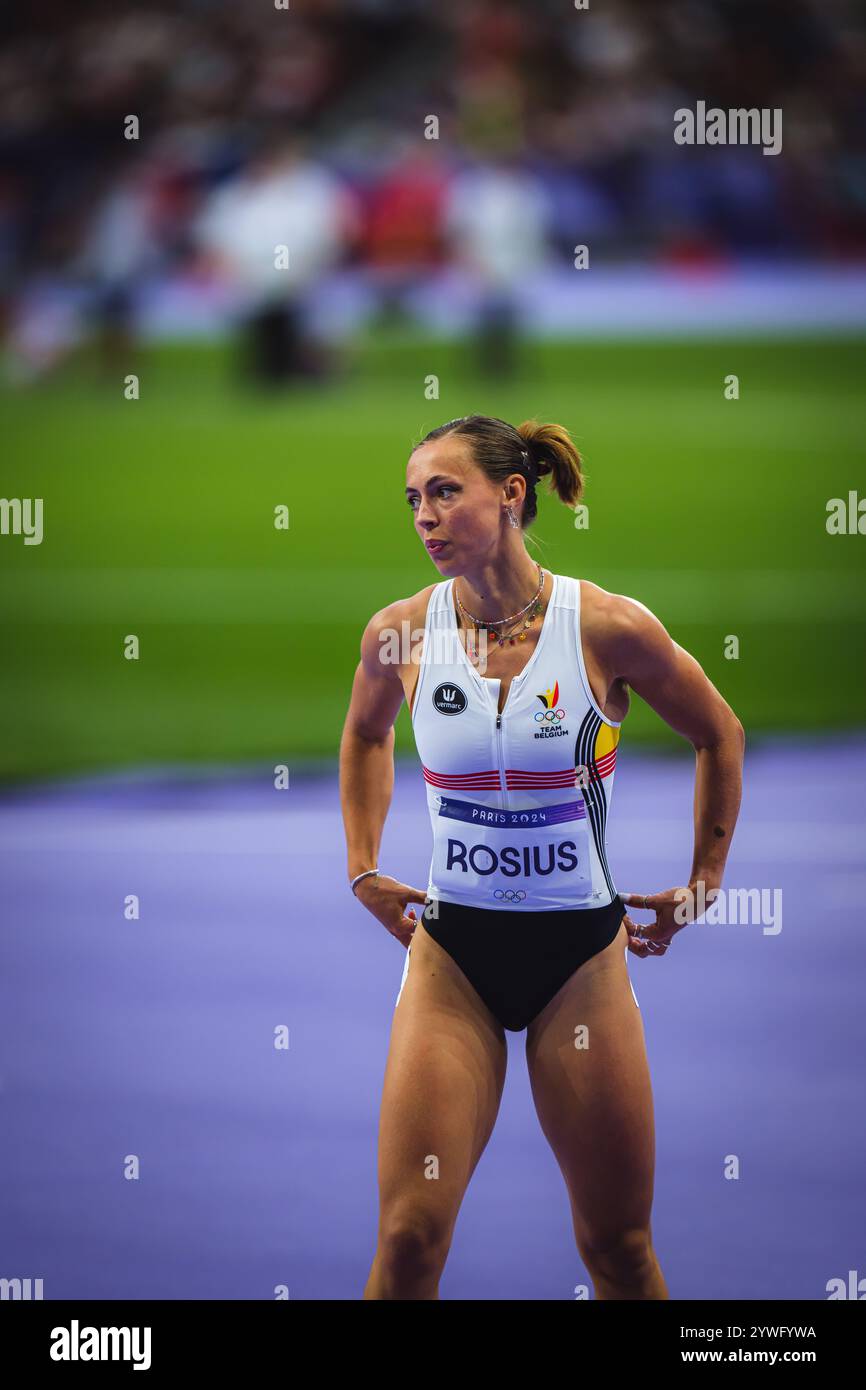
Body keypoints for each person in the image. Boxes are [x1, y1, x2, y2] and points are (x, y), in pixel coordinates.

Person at [339, 414, 744, 1300]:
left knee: (618, 1248)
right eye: (413, 500)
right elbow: (367, 733)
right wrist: (362, 866)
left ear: (511, 494)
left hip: (580, 961)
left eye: (445, 492)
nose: (424, 517)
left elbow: (719, 734)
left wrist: (705, 883)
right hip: (453, 958)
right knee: (408, 1238)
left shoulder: (605, 627)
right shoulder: (403, 633)